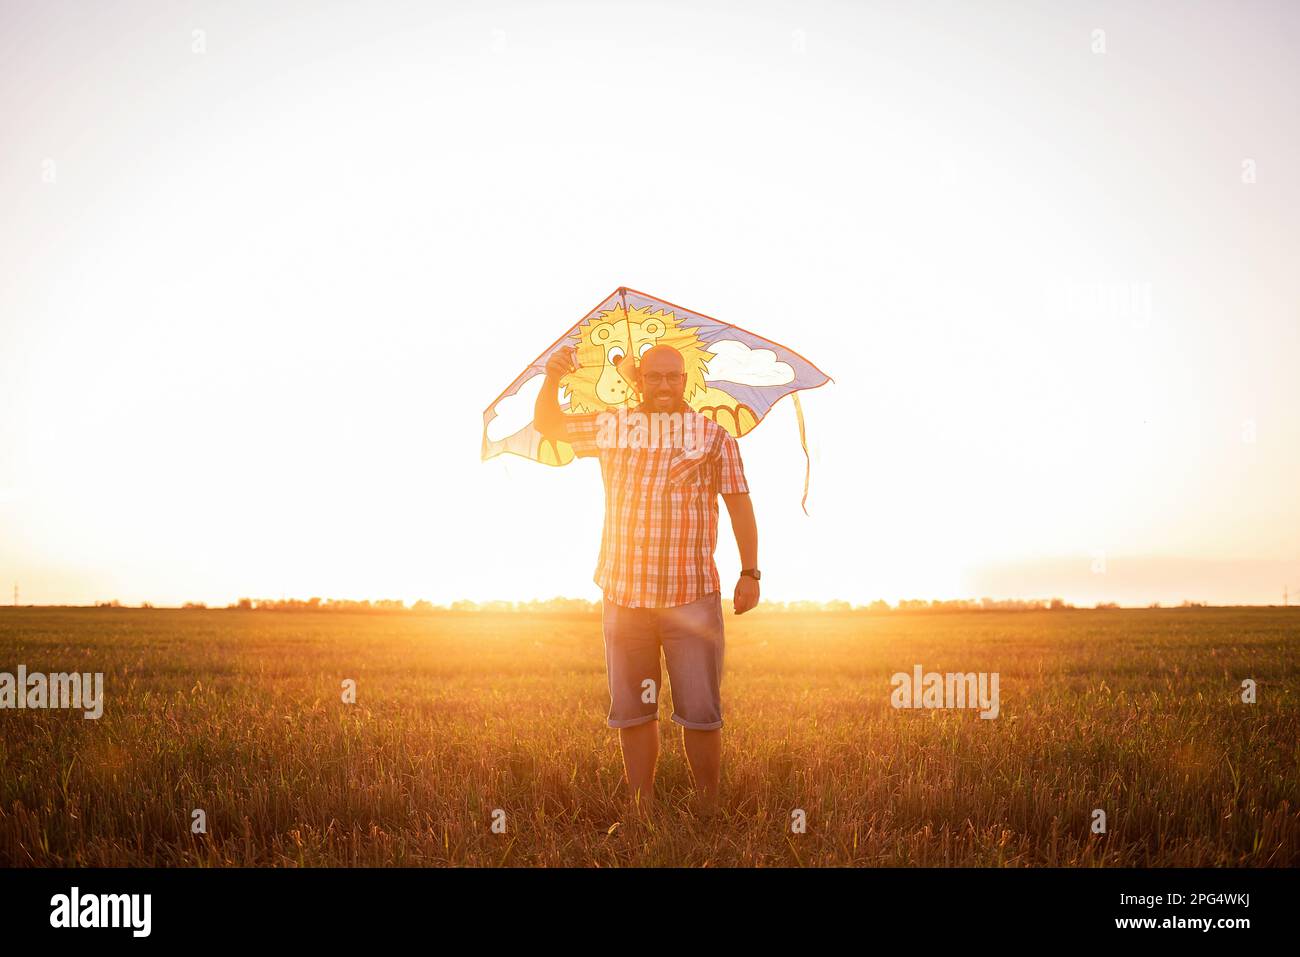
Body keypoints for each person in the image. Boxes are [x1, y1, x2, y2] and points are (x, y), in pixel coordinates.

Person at [533, 342, 760, 819]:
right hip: (625, 595)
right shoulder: (613, 426)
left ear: (685, 381)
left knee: (701, 712)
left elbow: (739, 504)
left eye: (672, 377)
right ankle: (641, 807)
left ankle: (708, 808)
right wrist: (552, 378)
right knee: (634, 709)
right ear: (639, 380)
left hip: (692, 596)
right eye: (654, 377)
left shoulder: (714, 437)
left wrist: (749, 572)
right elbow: (550, 425)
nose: (663, 385)